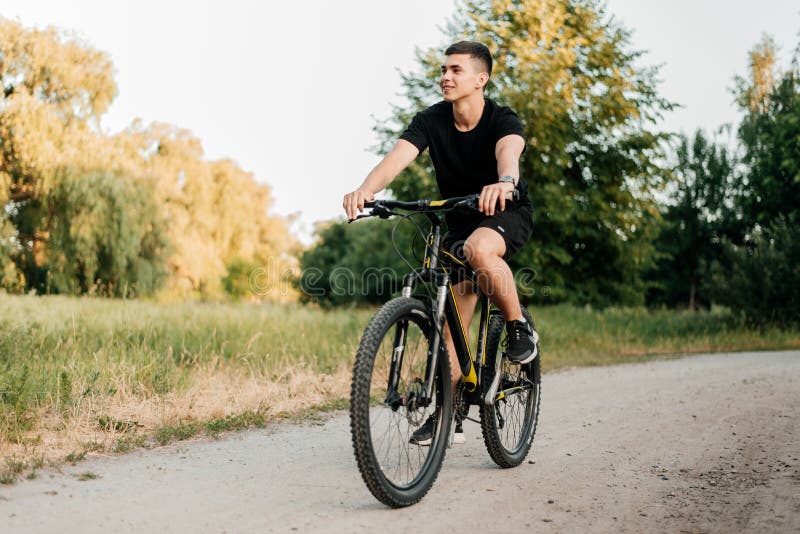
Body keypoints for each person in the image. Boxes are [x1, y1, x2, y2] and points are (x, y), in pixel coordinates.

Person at [342, 41, 538, 445]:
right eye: (443, 70)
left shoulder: (502, 119)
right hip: (460, 219)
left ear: (481, 79)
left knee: (480, 250)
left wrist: (504, 183)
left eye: (455, 70)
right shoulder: (431, 120)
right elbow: (397, 158)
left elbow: (510, 153)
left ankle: (518, 327)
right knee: (453, 333)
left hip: (504, 210)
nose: (445, 77)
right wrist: (365, 190)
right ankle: (448, 412)